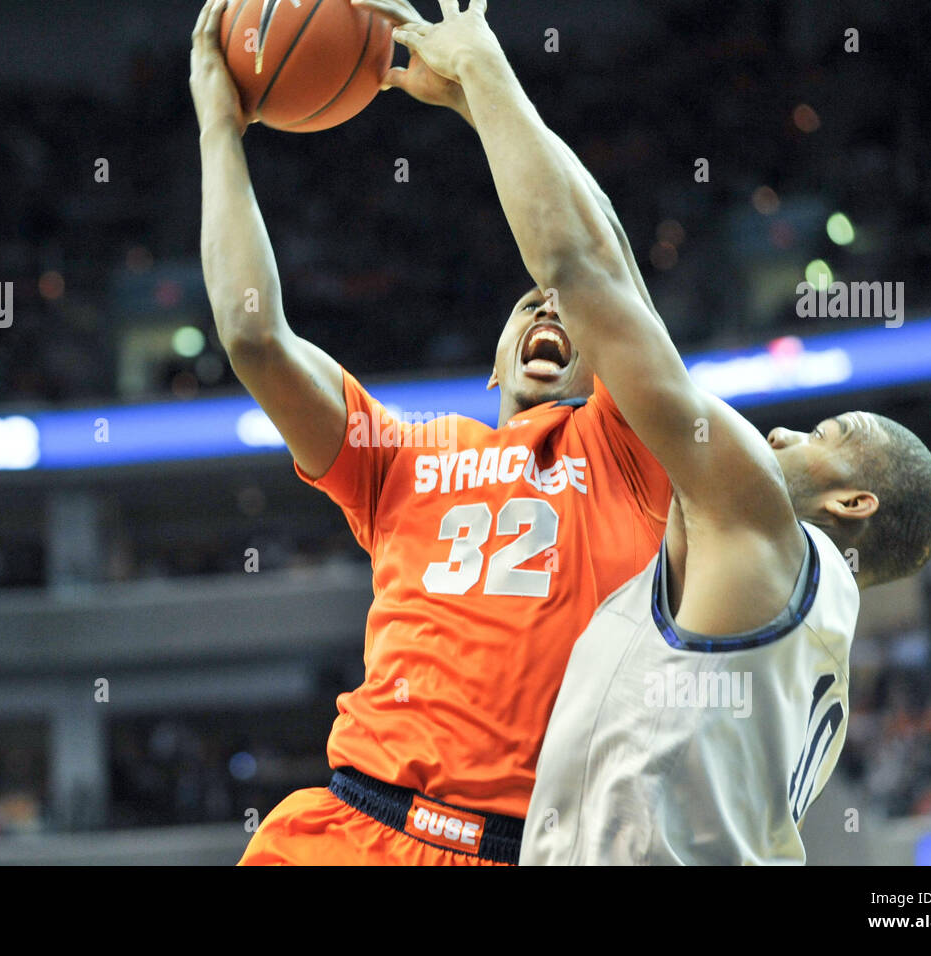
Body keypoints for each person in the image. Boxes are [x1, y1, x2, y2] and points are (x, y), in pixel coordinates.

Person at [379, 0, 931, 864]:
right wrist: (472, 101)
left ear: (854, 498)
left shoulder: (758, 521)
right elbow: (615, 272)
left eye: (830, 429)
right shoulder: (798, 608)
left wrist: (488, 70)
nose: (790, 427)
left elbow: (582, 275)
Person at [191, 0, 673, 864]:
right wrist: (219, 131)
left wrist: (481, 90)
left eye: (568, 310)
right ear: (494, 365)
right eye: (530, 305)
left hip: (521, 847)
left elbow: (593, 259)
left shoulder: (631, 454)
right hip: (348, 827)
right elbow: (252, 335)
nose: (550, 307)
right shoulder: (403, 456)